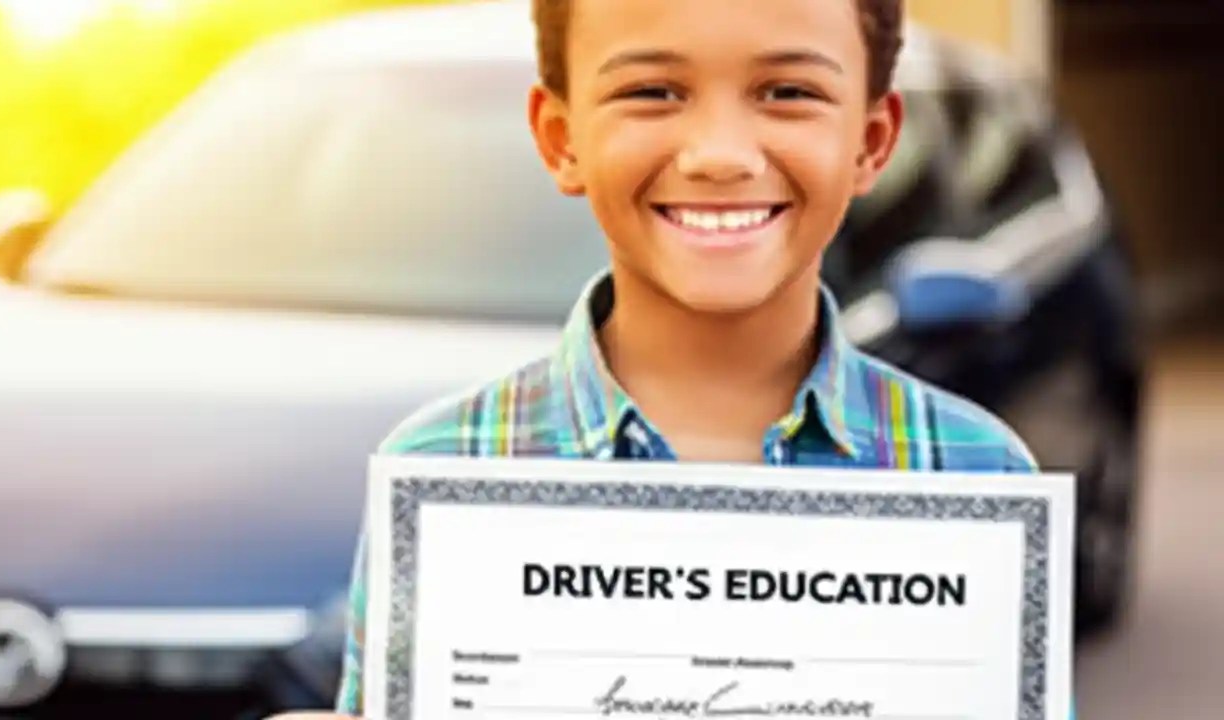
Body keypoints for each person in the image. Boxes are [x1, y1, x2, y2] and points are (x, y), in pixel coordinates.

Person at [273, 0, 1043, 717]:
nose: (719, 155)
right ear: (560, 138)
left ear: (871, 143)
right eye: (653, 92)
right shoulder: (446, 471)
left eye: (786, 91)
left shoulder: (977, 475)